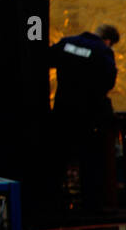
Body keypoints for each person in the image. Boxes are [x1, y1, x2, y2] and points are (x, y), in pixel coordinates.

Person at [49, 24, 119, 215]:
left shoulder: (66, 43)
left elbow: (47, 59)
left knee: (57, 161)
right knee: (91, 164)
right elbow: (109, 80)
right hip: (89, 117)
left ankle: (53, 205)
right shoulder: (103, 51)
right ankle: (91, 209)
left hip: (63, 113)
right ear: (108, 40)